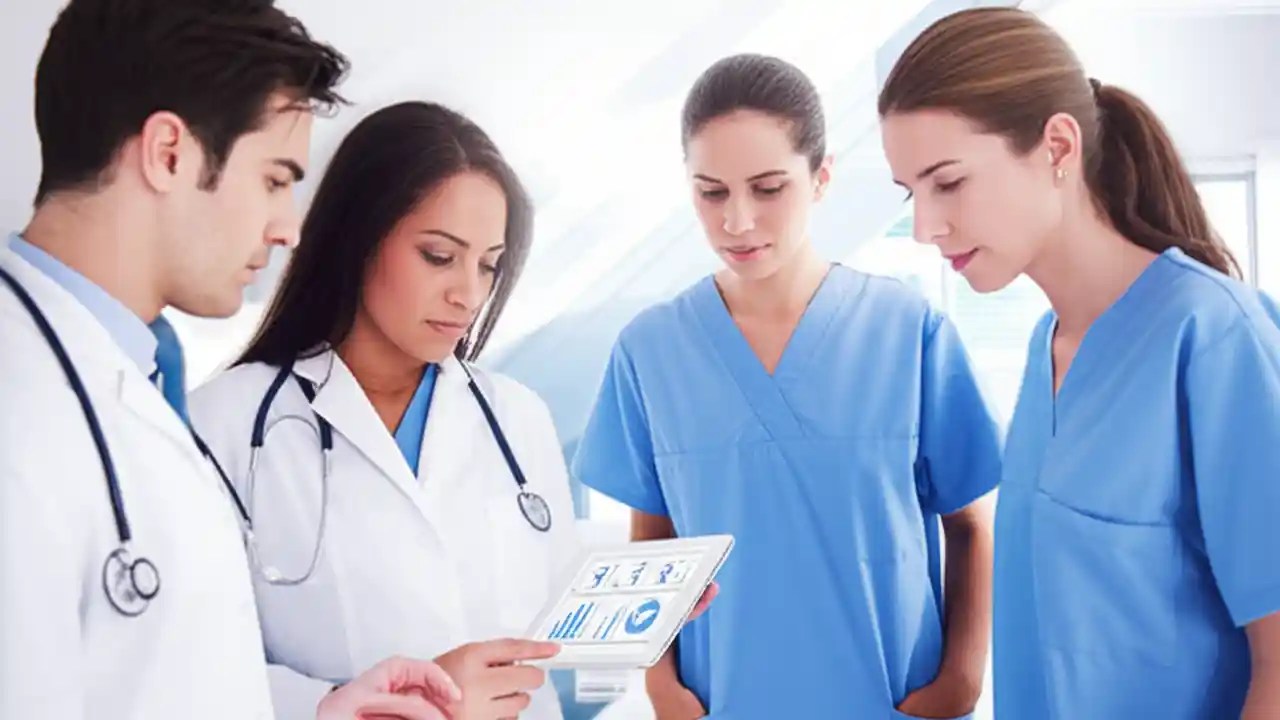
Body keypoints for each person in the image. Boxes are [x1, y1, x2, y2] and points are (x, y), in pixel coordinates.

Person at [0, 2, 460, 718]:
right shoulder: (20, 403)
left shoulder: (139, 371)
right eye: (276, 179)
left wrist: (318, 707)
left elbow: (155, 666)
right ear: (169, 154)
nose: (289, 228)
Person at [572, 54, 1002, 719]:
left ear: (821, 178)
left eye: (768, 188)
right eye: (711, 191)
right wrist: (661, 684)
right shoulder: (651, 350)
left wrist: (961, 683)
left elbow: (969, 524)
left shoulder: (905, 331)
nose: (737, 221)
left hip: (891, 702)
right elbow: (653, 538)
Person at [879, 7, 1280, 719]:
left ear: (1057, 147)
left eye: (948, 182)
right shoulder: (1046, 352)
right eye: (912, 193)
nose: (924, 227)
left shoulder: (1214, 337)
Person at [185, 100, 568, 720]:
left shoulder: (519, 420)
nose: (467, 293)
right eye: (439, 256)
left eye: (489, 265)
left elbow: (557, 632)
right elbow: (188, 668)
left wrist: (652, 615)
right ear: (359, 236)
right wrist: (357, 705)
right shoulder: (224, 426)